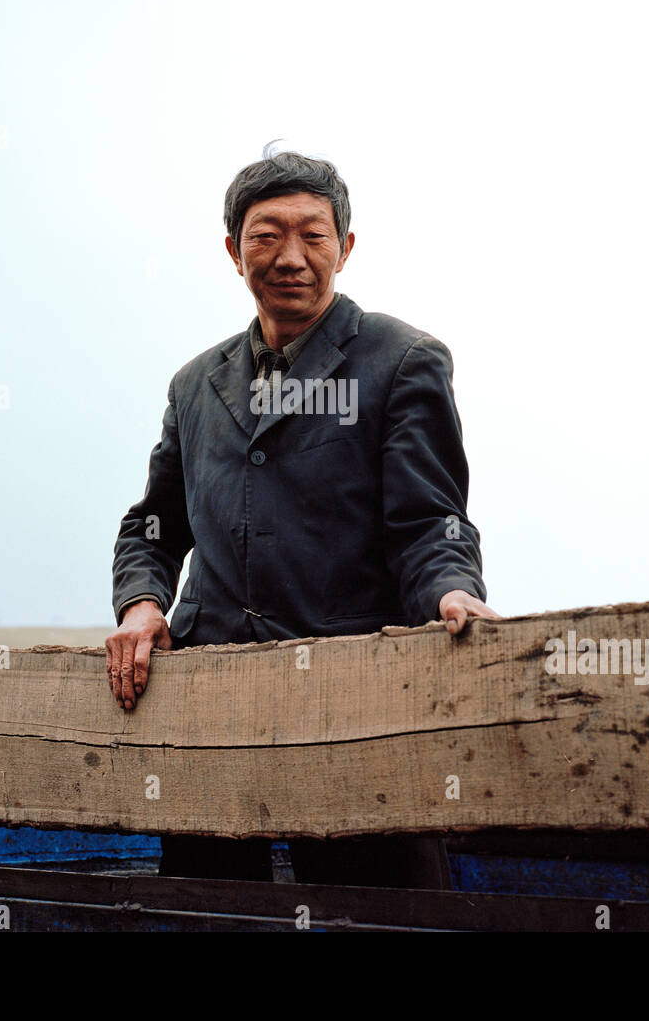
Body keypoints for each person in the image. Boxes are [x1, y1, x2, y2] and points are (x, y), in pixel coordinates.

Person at [107, 149, 497, 887]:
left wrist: (451, 591)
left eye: (313, 236)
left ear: (346, 248)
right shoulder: (197, 385)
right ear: (233, 251)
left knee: (384, 904)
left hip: (353, 703)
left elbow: (429, 522)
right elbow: (153, 526)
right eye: (266, 235)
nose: (290, 257)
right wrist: (142, 605)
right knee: (209, 906)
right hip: (209, 710)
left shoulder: (402, 361)